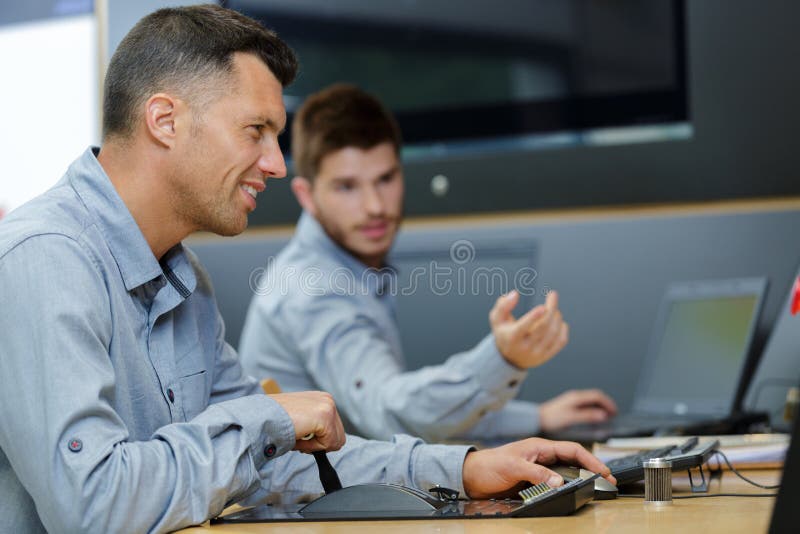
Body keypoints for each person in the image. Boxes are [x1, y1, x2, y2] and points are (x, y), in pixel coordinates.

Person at [0, 5, 614, 533]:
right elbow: (91, 502)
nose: (274, 162)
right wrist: (267, 419)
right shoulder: (44, 260)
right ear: (165, 121)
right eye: (256, 131)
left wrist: (462, 468)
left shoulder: (185, 281)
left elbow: (274, 460)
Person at [239, 84, 617, 443]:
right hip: (304, 507)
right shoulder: (315, 288)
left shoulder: (345, 263)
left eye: (385, 179)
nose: (374, 206)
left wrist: (538, 419)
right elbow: (389, 413)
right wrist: (500, 359)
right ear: (306, 195)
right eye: (347, 187)